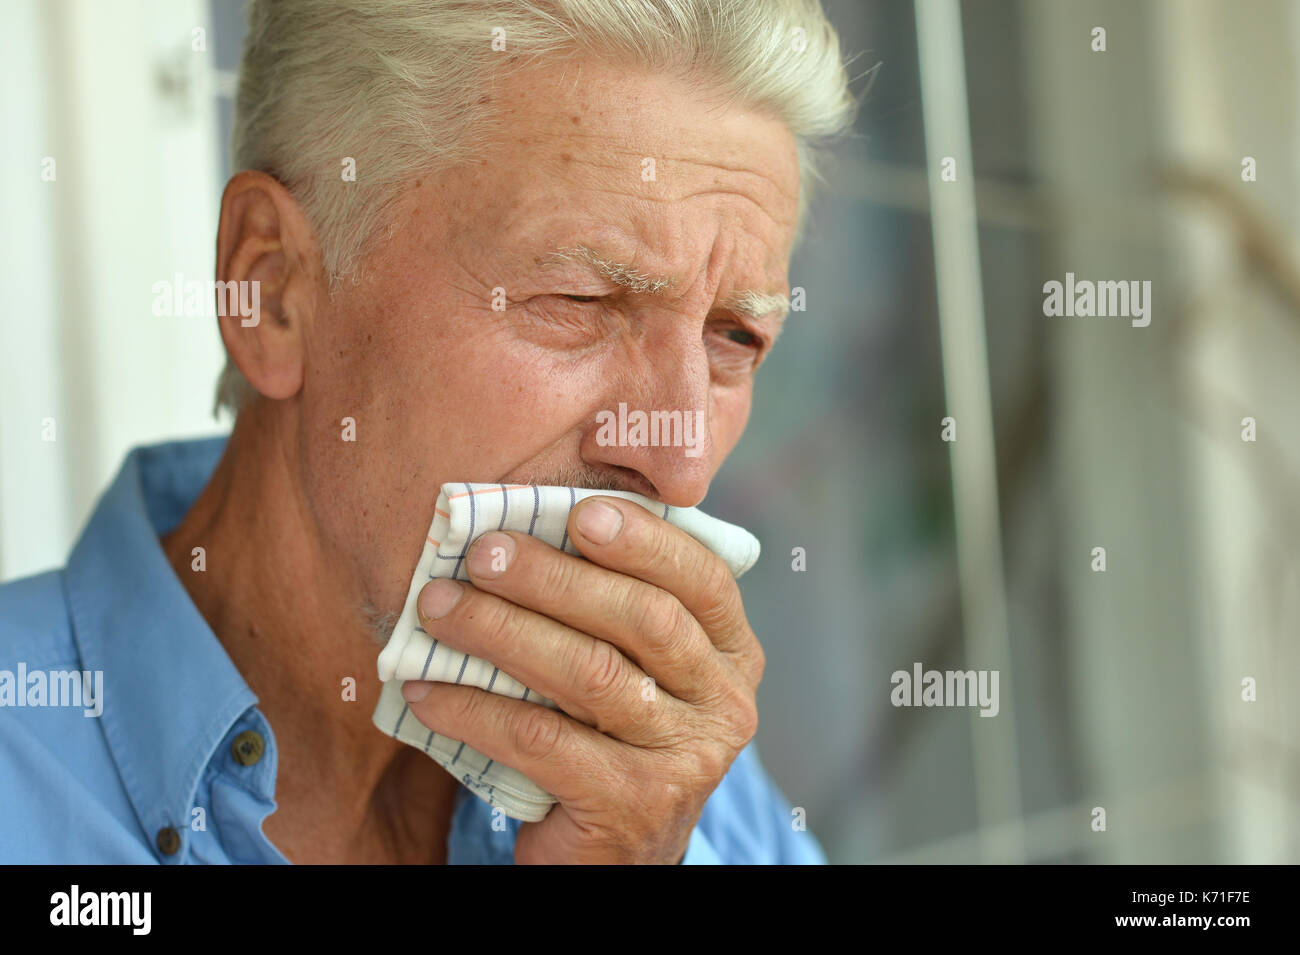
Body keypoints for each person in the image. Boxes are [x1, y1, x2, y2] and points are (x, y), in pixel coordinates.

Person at [0, 0, 856, 864]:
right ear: (272, 292)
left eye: (734, 337)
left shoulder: (686, 801)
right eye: (579, 301)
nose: (682, 464)